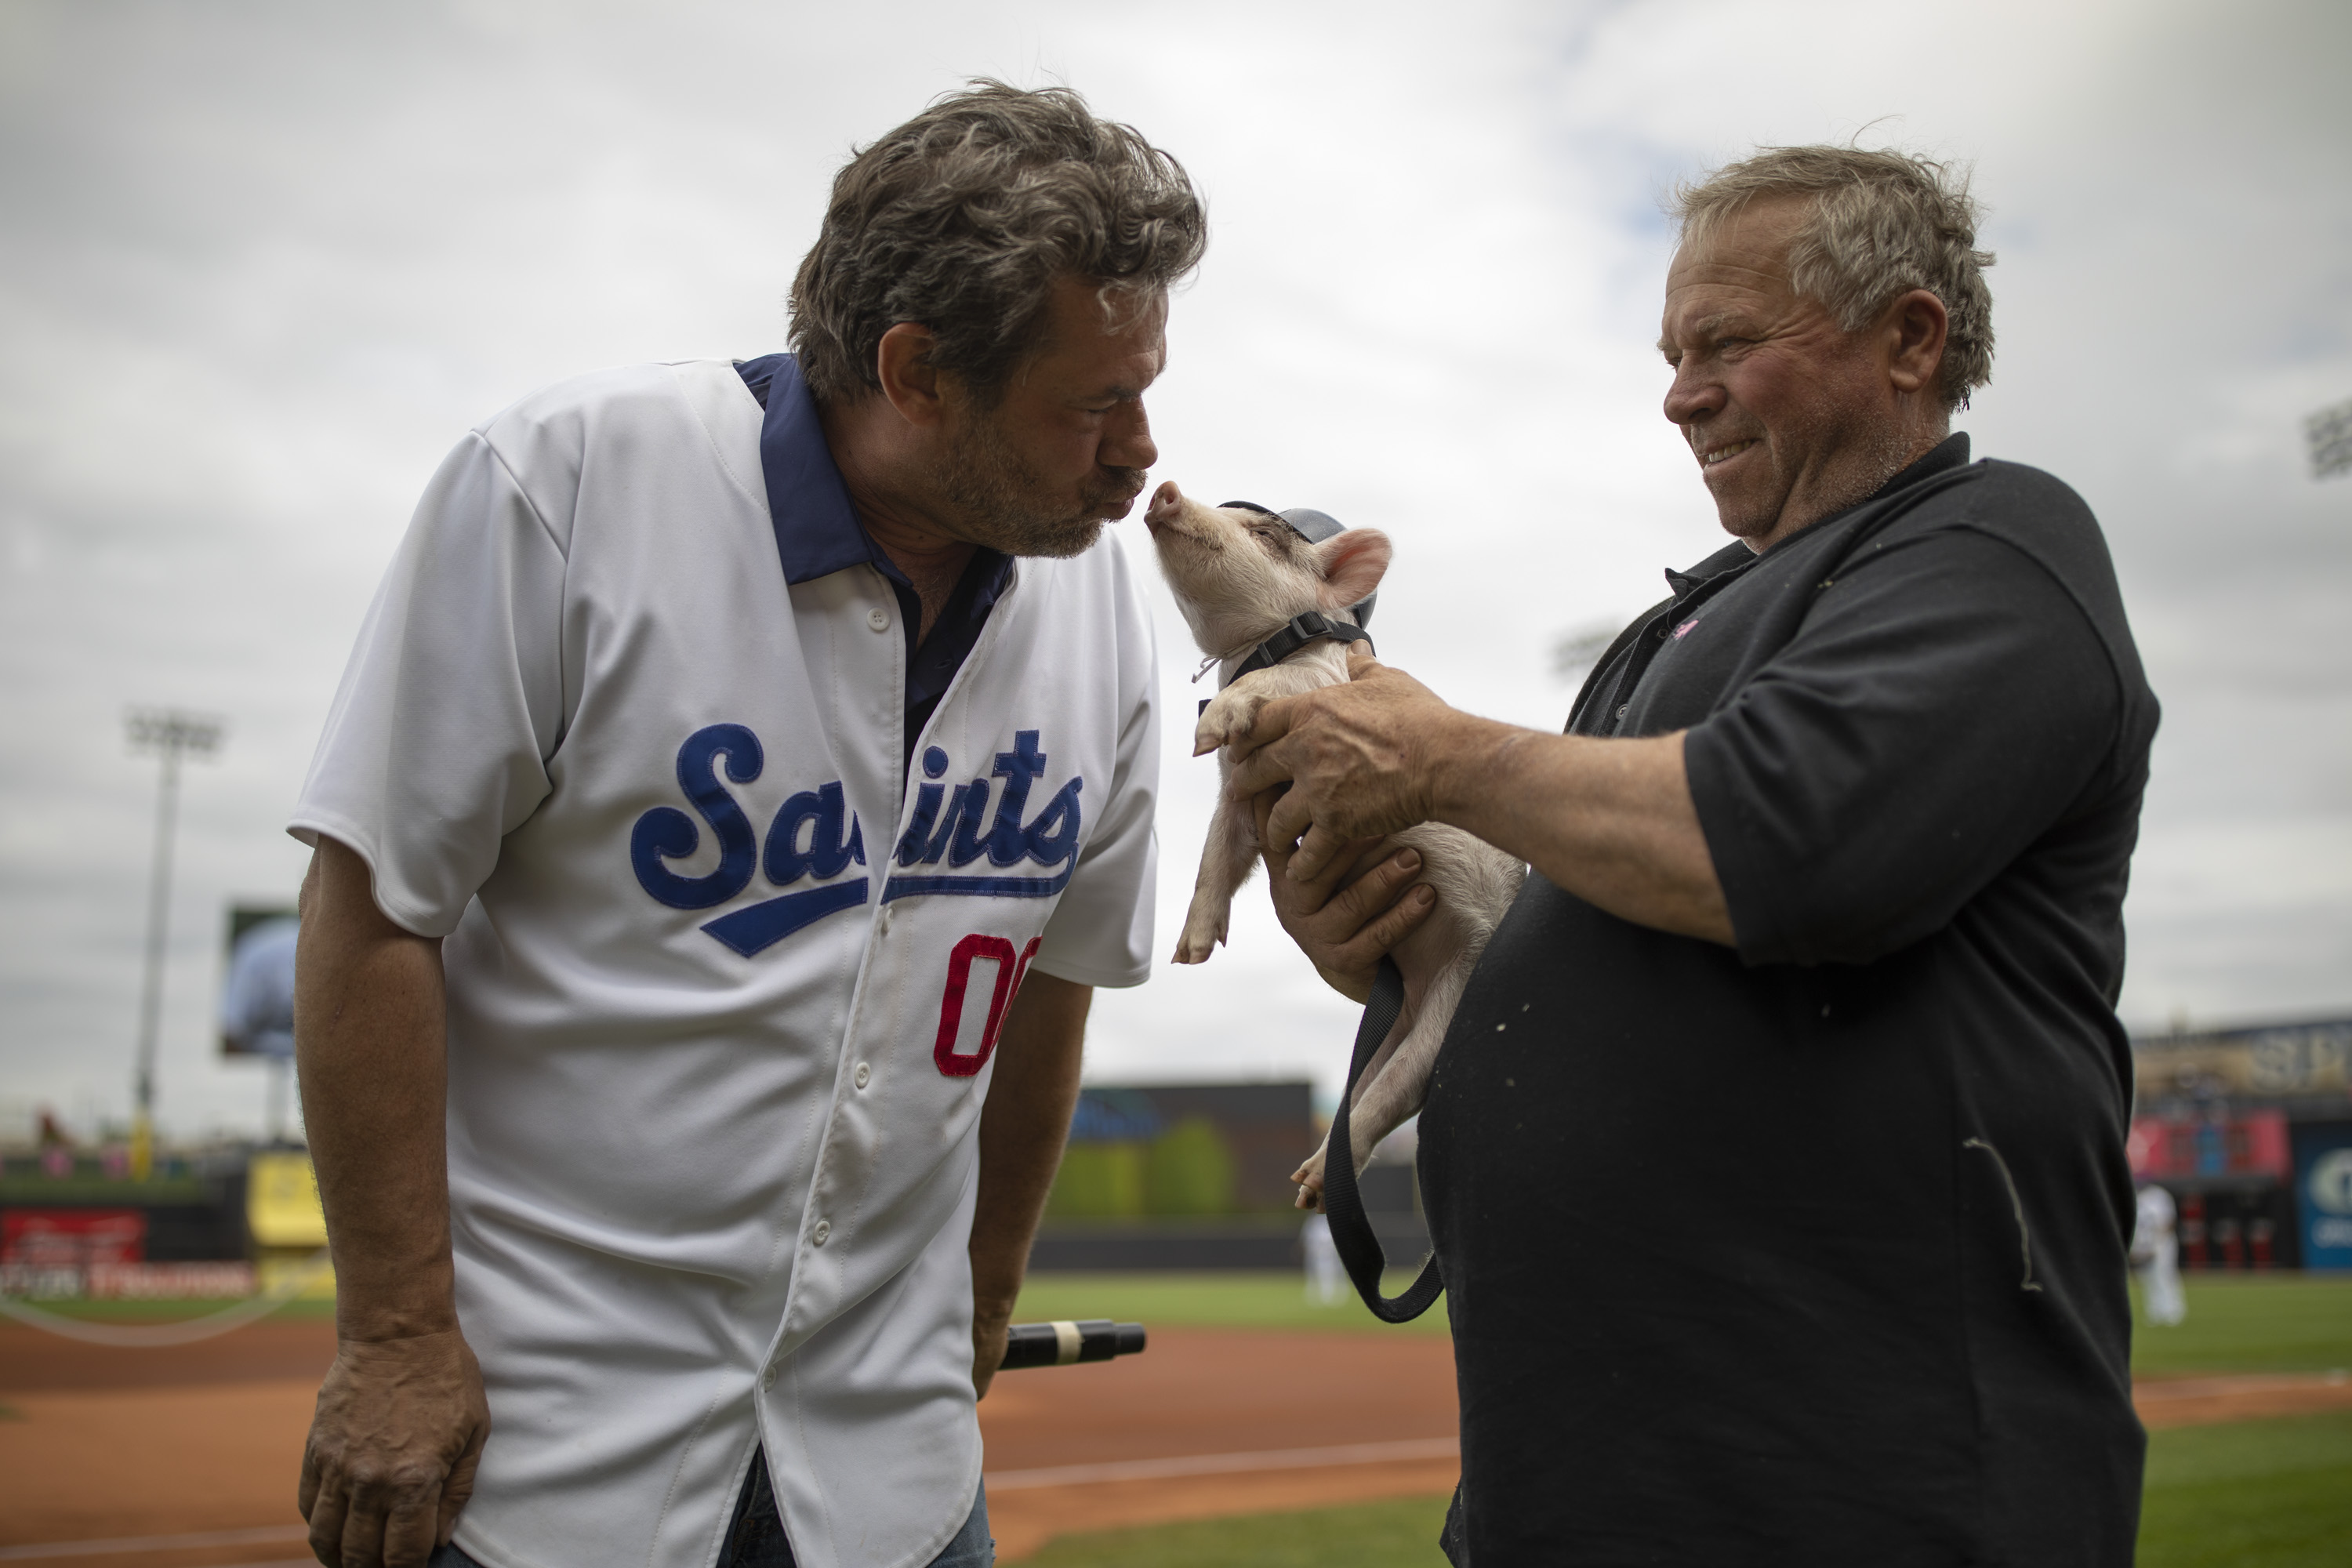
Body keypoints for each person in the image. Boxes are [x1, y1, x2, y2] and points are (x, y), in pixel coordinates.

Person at [288, 83, 1201, 1568]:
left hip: (896, 1474)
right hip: (547, 1449)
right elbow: (377, 903)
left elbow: (1053, 980)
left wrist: (978, 1303)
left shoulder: (1095, 591)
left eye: (1146, 389)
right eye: (1094, 402)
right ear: (914, 373)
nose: (1138, 451)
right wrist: (395, 1334)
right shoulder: (567, 486)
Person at [1232, 146, 2158, 1564]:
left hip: (1862, 1487)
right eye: (1672, 353)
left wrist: (1448, 757)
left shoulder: (1993, 541)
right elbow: (1560, 939)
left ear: (1910, 339)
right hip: (1579, 1488)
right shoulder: (1677, 627)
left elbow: (1794, 841)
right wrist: (1376, 917)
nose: (1678, 392)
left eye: (1727, 343)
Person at [2132, 1181, 2187, 1326]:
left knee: (2165, 1275)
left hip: (2162, 1242)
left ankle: (2173, 1311)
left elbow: (2169, 1220)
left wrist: (2159, 1241)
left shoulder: (2159, 1195)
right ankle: (2155, 1311)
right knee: (2148, 1279)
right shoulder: (2134, 1195)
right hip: (2143, 1246)